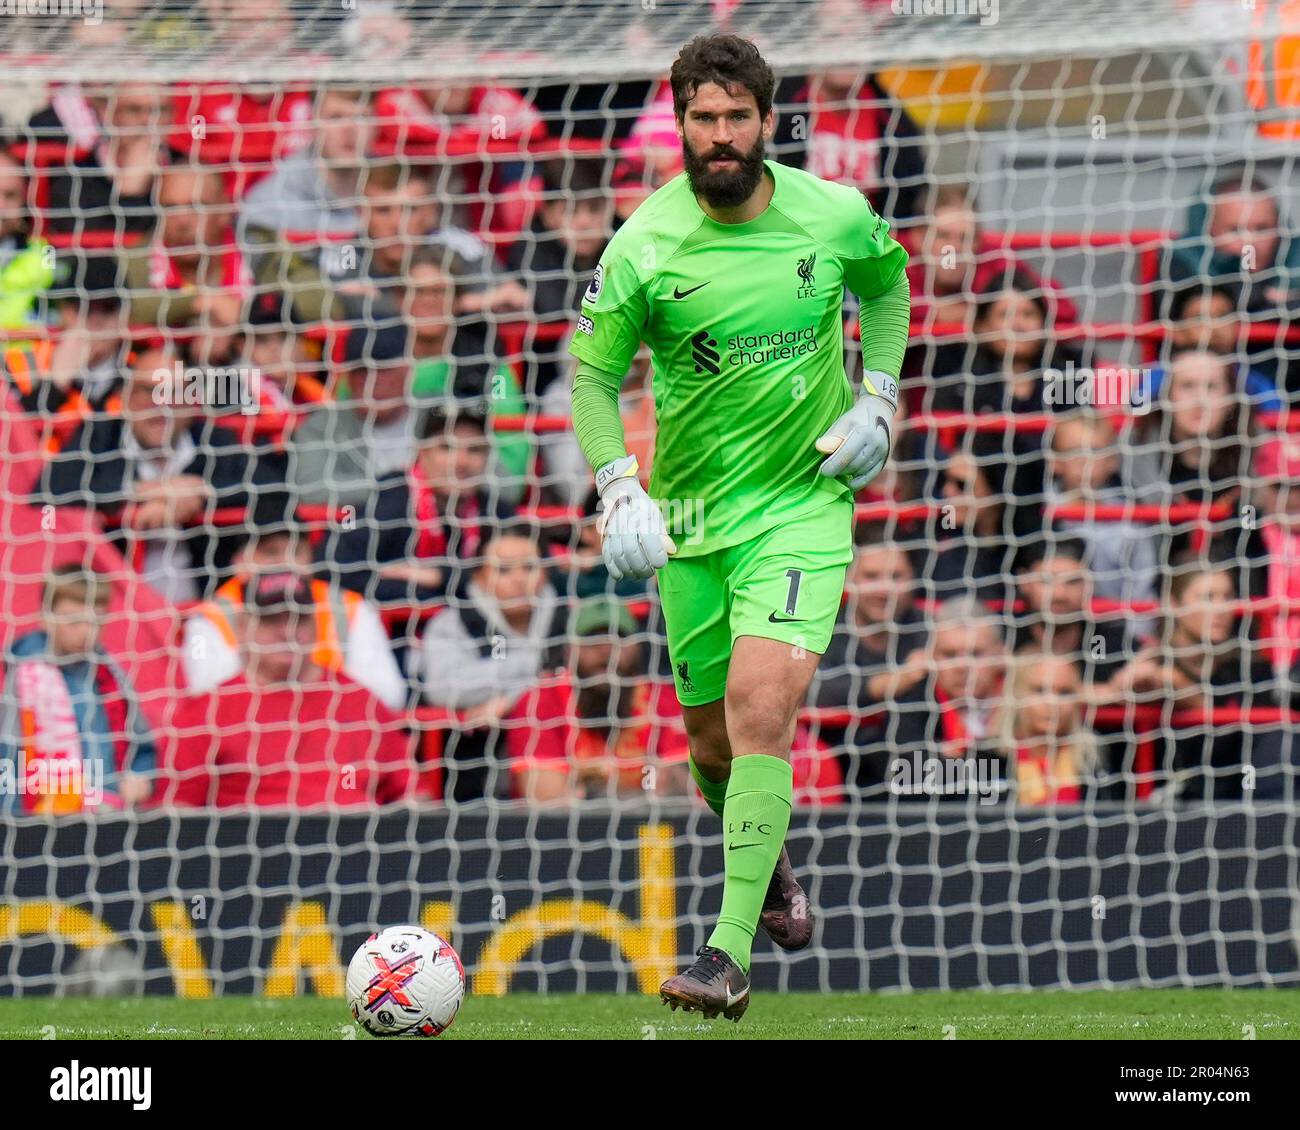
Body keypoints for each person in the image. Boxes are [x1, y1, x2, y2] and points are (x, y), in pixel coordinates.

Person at [567, 34, 910, 1019]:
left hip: (804, 503)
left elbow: (885, 285)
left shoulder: (832, 211)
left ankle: (723, 951)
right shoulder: (643, 244)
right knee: (710, 745)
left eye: (734, 117)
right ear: (680, 123)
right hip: (690, 523)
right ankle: (773, 876)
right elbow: (593, 375)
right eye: (701, 118)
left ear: (767, 120)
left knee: (764, 706)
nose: (718, 136)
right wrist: (618, 484)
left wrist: (878, 398)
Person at [165, 571, 415, 807]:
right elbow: (178, 811)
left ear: (317, 623)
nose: (287, 632)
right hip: (254, 846)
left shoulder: (360, 702)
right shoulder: (209, 712)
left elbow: (413, 795)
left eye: (299, 619)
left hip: (354, 845)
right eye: (271, 620)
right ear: (242, 627)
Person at [183, 490, 406, 709]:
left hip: (332, 731)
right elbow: (203, 688)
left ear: (311, 558)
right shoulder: (206, 619)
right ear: (241, 560)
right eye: (270, 552)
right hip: (250, 734)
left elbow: (388, 694)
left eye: (296, 552)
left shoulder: (351, 608)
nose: (285, 563)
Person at [416, 525, 566, 802]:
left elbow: (583, 683)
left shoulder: (570, 619)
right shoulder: (452, 622)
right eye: (504, 570)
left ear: (545, 572)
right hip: (473, 782)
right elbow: (442, 687)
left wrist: (510, 699)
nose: (519, 579)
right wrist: (532, 666)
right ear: (480, 576)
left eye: (529, 567)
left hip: (564, 768)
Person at [0, 565, 155, 813]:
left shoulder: (111, 675)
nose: (87, 632)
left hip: (108, 812)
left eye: (97, 621)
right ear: (47, 618)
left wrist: (141, 778)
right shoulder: (24, 677)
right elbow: (6, 757)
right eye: (74, 621)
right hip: (44, 817)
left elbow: (143, 747)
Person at [507, 597, 690, 803]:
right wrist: (641, 795)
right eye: (592, 639)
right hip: (566, 833)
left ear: (637, 649)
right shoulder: (540, 701)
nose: (605, 649)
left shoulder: (663, 700)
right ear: (569, 651)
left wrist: (587, 790)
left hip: (652, 833)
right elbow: (544, 797)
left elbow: (684, 790)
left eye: (617, 637)